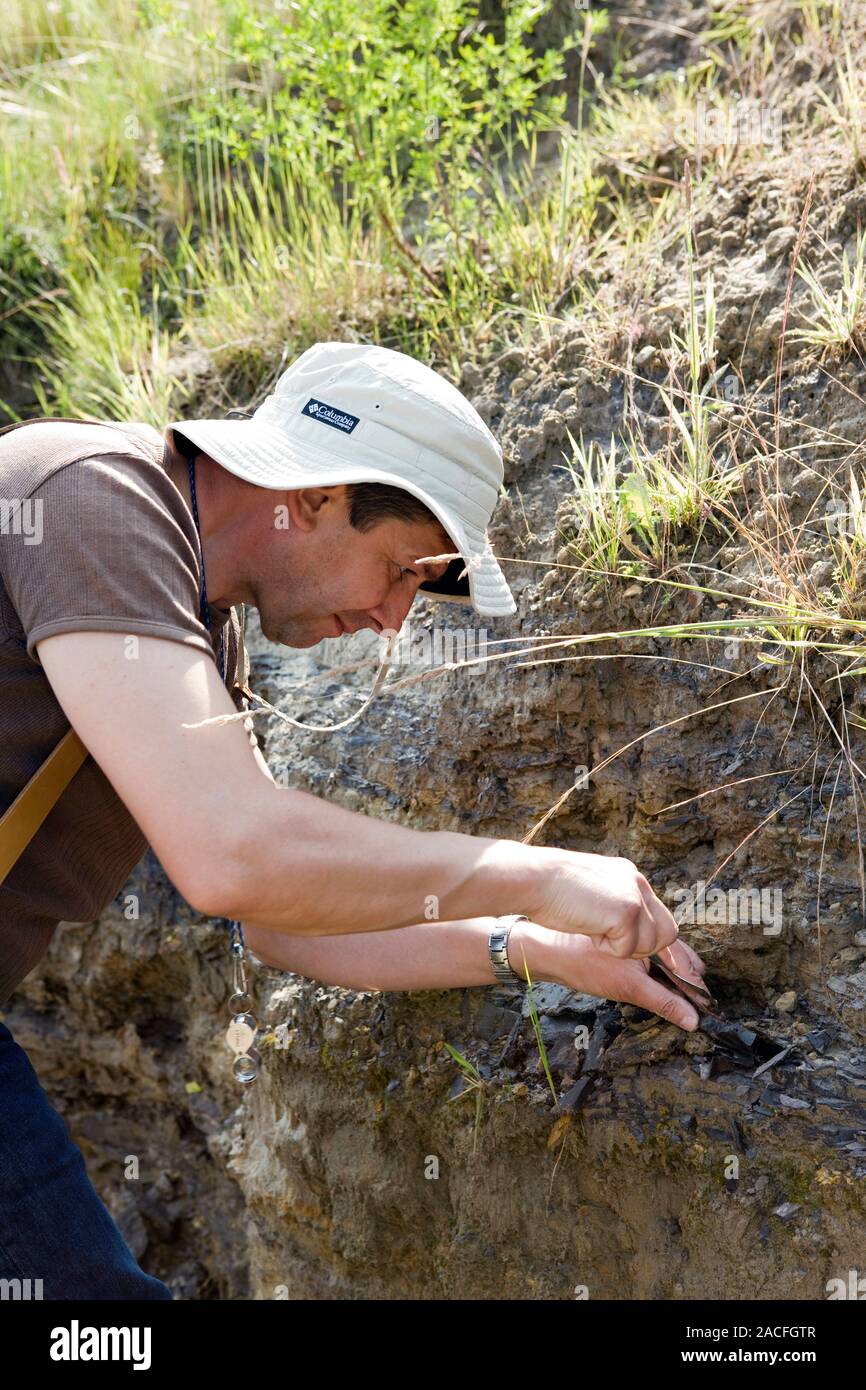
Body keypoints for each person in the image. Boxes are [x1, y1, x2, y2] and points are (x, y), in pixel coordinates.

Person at [0, 340, 706, 1299]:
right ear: (319, 495)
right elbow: (233, 856)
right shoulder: (90, 497)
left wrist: (531, 947)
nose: (394, 619)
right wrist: (540, 874)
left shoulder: (190, 623)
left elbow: (281, 922)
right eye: (404, 570)